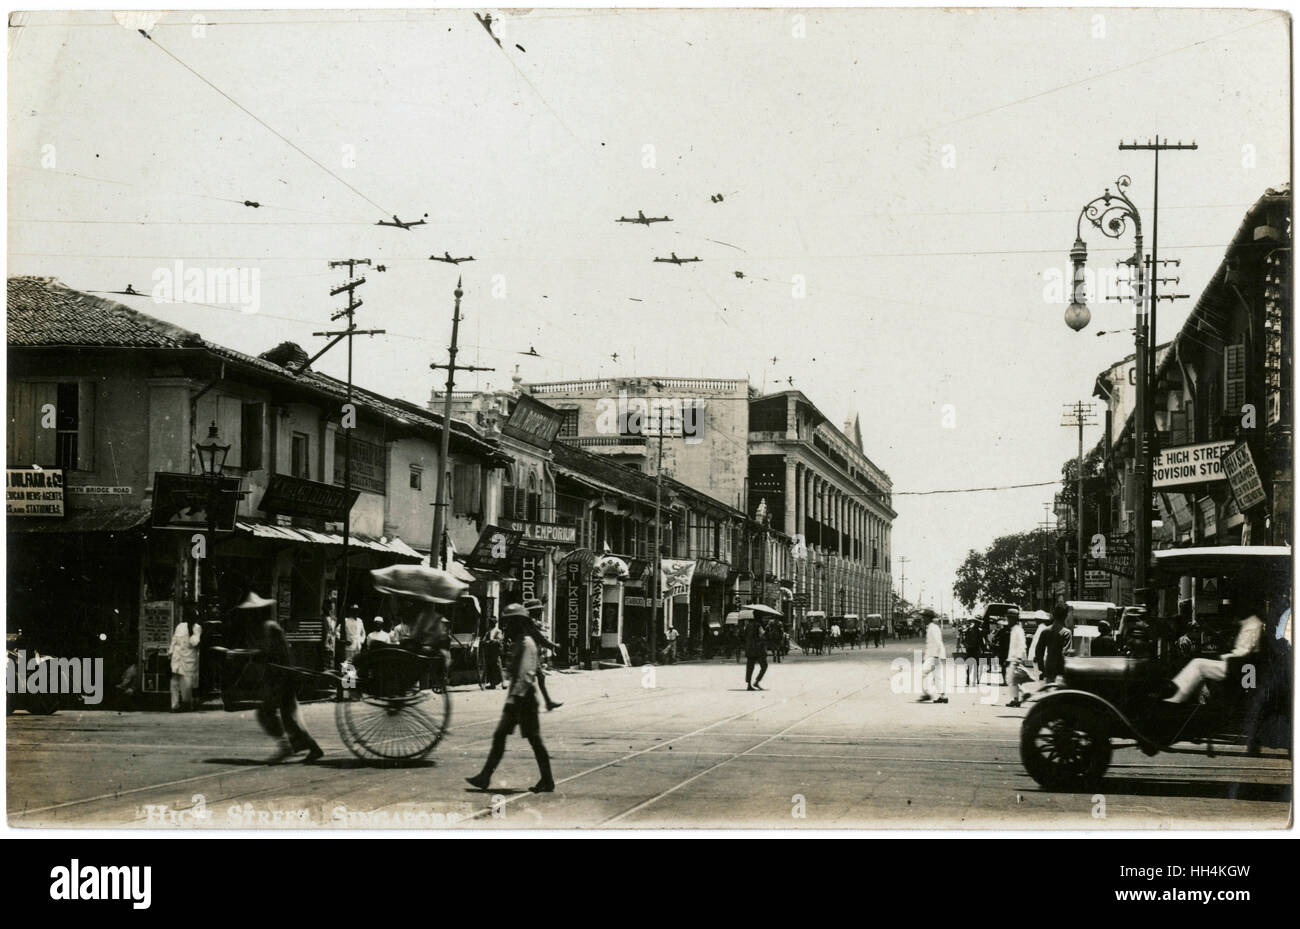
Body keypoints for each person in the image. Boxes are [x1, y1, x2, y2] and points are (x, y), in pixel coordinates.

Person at [466, 605, 555, 793]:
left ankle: (546, 780)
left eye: (510, 622)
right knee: (515, 737)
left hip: (523, 699)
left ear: (519, 623)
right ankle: (485, 776)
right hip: (520, 697)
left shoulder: (527, 643)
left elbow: (526, 674)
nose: (507, 626)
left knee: (530, 739)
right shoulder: (520, 642)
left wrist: (513, 700)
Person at [242, 592, 323, 764]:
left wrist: (248, 655)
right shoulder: (268, 626)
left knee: (266, 712)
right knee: (287, 715)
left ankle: (286, 746)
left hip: (281, 676)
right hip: (282, 675)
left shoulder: (268, 626)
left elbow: (268, 652)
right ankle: (312, 747)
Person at [1164, 603, 1265, 704]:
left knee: (1198, 665)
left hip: (1238, 665)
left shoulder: (1252, 624)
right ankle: (1179, 695)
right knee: (1198, 666)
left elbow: (1244, 652)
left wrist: (1224, 656)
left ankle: (1179, 696)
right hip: (1239, 664)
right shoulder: (1248, 623)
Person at [524, 599, 563, 711]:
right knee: (531, 680)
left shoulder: (528, 622)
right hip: (528, 655)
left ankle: (547, 701)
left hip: (531, 654)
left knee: (539, 677)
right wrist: (553, 645)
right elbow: (539, 638)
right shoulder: (530, 623)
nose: (541, 612)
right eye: (539, 610)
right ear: (534, 611)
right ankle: (539, 703)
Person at [168, 608, 201, 712]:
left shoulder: (197, 628)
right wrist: (170, 652)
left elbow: (194, 642)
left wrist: (191, 631)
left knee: (187, 684)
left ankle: (187, 703)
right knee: (174, 683)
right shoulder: (180, 626)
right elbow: (174, 640)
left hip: (189, 659)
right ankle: (174, 705)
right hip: (177, 658)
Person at [1035, 604, 1073, 685]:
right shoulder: (1066, 632)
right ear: (1065, 616)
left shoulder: (1045, 631)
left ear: (1054, 615)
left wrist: (1042, 668)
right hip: (1061, 671)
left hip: (1049, 669)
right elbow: (1066, 653)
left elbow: (1038, 651)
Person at [918, 608, 948, 703]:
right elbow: (930, 645)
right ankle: (943, 697)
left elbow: (938, 642)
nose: (922, 619)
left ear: (928, 618)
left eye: (923, 618)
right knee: (937, 676)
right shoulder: (931, 627)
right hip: (934, 656)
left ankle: (927, 694)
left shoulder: (933, 628)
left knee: (923, 674)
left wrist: (937, 656)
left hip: (934, 656)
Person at [1003, 611, 1028, 707]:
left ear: (1014, 619)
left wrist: (1019, 658)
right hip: (1012, 657)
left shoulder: (1018, 630)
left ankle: (1024, 693)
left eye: (1009, 618)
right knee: (1012, 679)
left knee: (1011, 679)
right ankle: (1016, 699)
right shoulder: (1013, 630)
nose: (1008, 621)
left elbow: (1022, 645)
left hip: (1016, 658)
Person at [743, 614, 768, 691]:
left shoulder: (748, 626)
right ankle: (757, 681)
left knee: (750, 667)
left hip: (749, 648)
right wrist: (766, 630)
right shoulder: (758, 625)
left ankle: (749, 685)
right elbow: (762, 635)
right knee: (764, 666)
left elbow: (744, 636)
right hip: (758, 649)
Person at [482, 617, 505, 689]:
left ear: (495, 623)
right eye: (490, 622)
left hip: (495, 652)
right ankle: (492, 684)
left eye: (492, 622)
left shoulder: (498, 631)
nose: (491, 623)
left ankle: (503, 683)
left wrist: (492, 641)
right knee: (491, 667)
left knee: (498, 667)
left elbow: (500, 640)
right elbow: (484, 640)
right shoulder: (488, 632)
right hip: (489, 652)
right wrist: (485, 642)